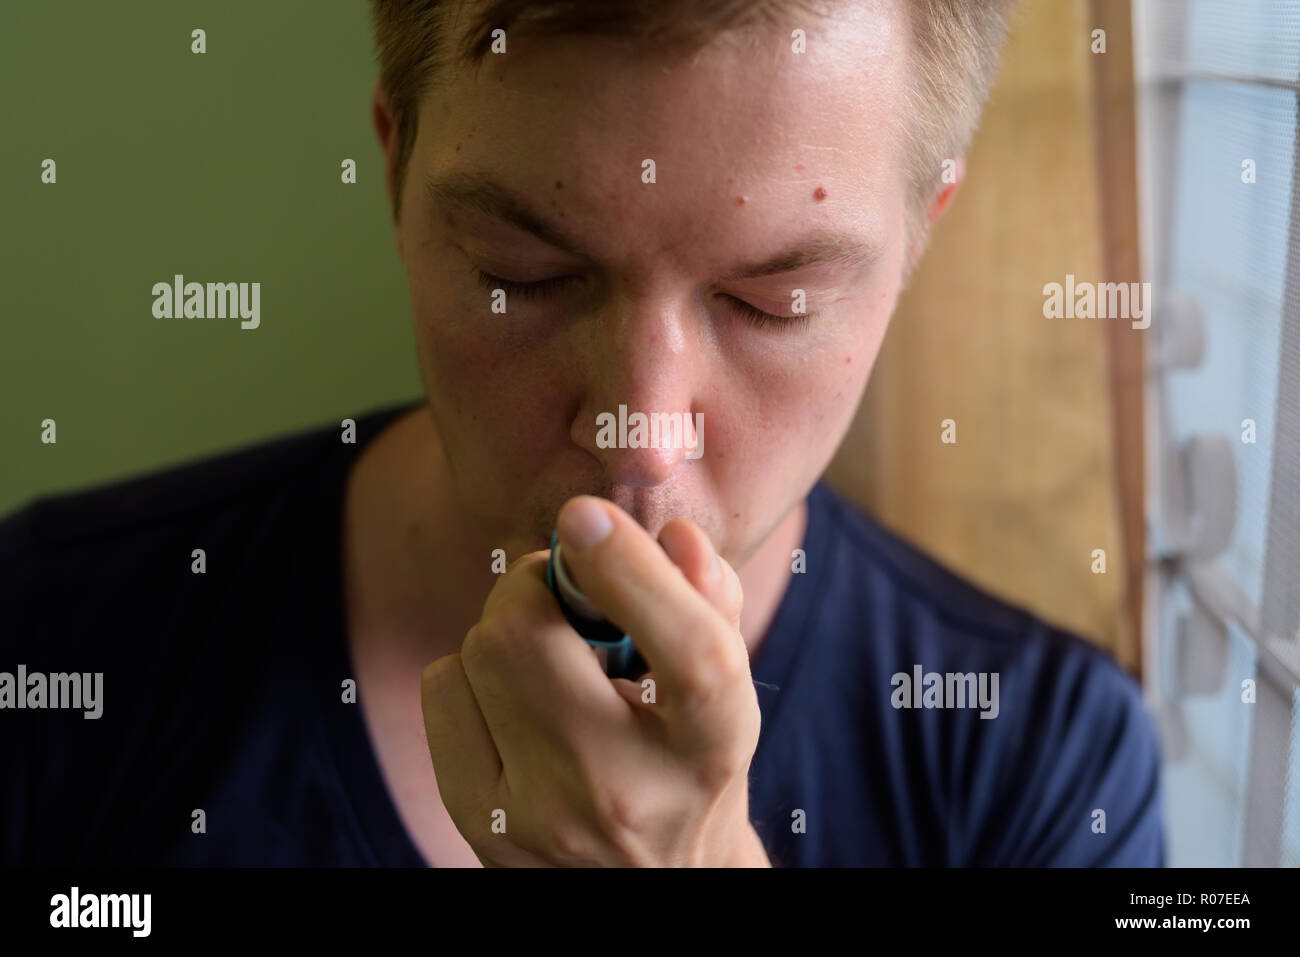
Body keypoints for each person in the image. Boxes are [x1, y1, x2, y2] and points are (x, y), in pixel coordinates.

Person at [0, 0, 1163, 866]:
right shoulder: (49, 638)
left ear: (921, 236)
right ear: (395, 168)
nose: (641, 437)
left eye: (773, 305)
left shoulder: (1042, 770)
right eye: (529, 275)